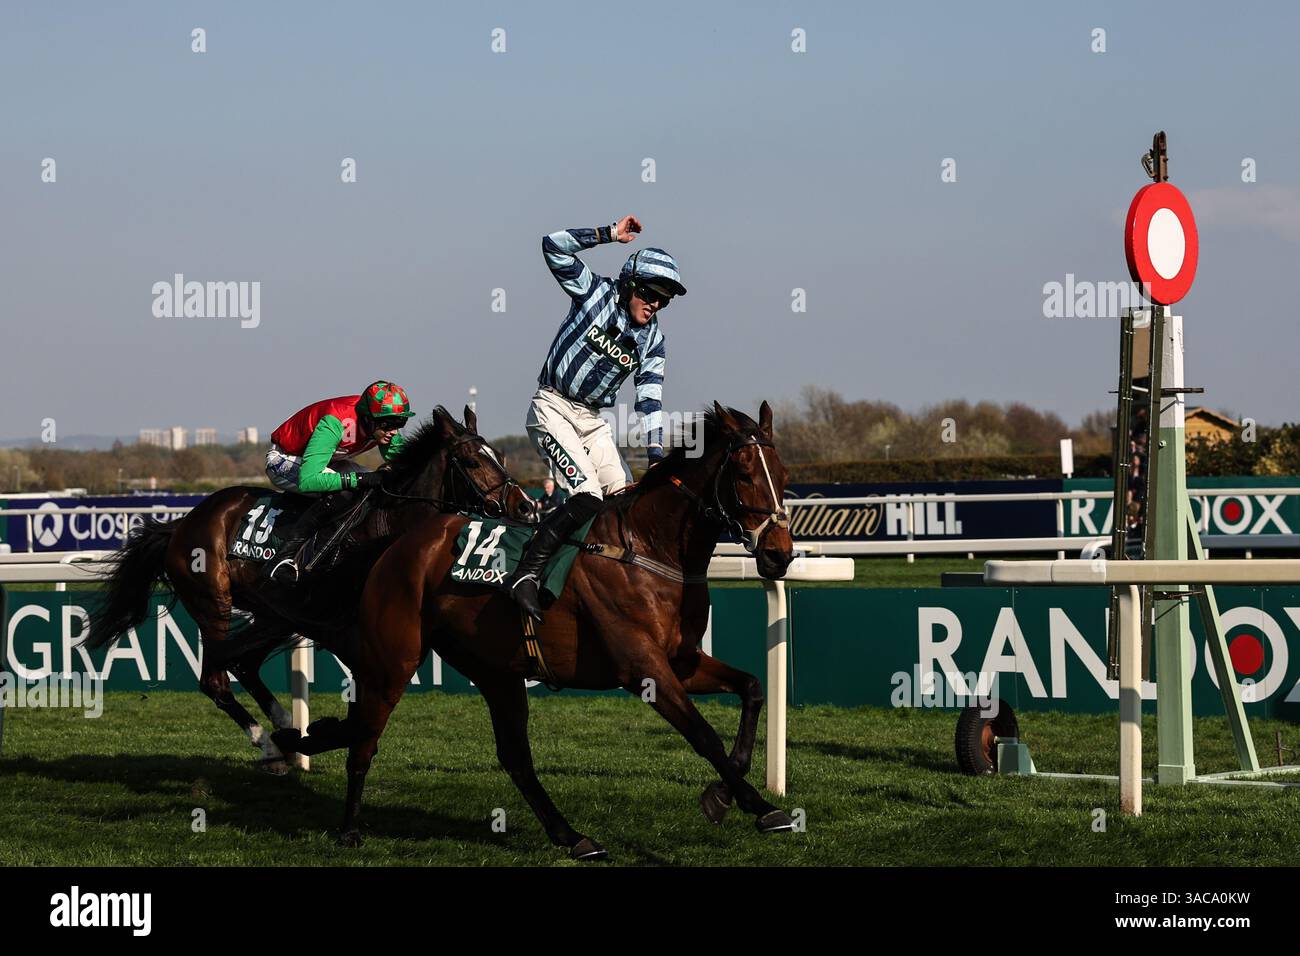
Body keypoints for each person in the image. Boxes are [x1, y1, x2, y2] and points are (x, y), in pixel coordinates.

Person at [505, 215, 686, 622]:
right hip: (551, 407)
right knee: (587, 495)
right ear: (631, 285)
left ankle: (604, 589)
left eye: (666, 299)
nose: (657, 304)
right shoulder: (594, 292)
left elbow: (650, 401)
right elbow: (552, 244)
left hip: (592, 420)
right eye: (653, 293)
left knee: (623, 501)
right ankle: (526, 574)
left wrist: (655, 455)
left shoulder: (653, 339)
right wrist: (607, 235)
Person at [262, 381, 414, 582]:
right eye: (388, 424)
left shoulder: (383, 425)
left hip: (328, 461)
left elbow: (404, 466)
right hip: (284, 460)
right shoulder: (335, 421)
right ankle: (283, 560)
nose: (394, 431)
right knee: (348, 490)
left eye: (399, 423)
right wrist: (359, 479)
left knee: (378, 488)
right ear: (368, 419)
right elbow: (309, 480)